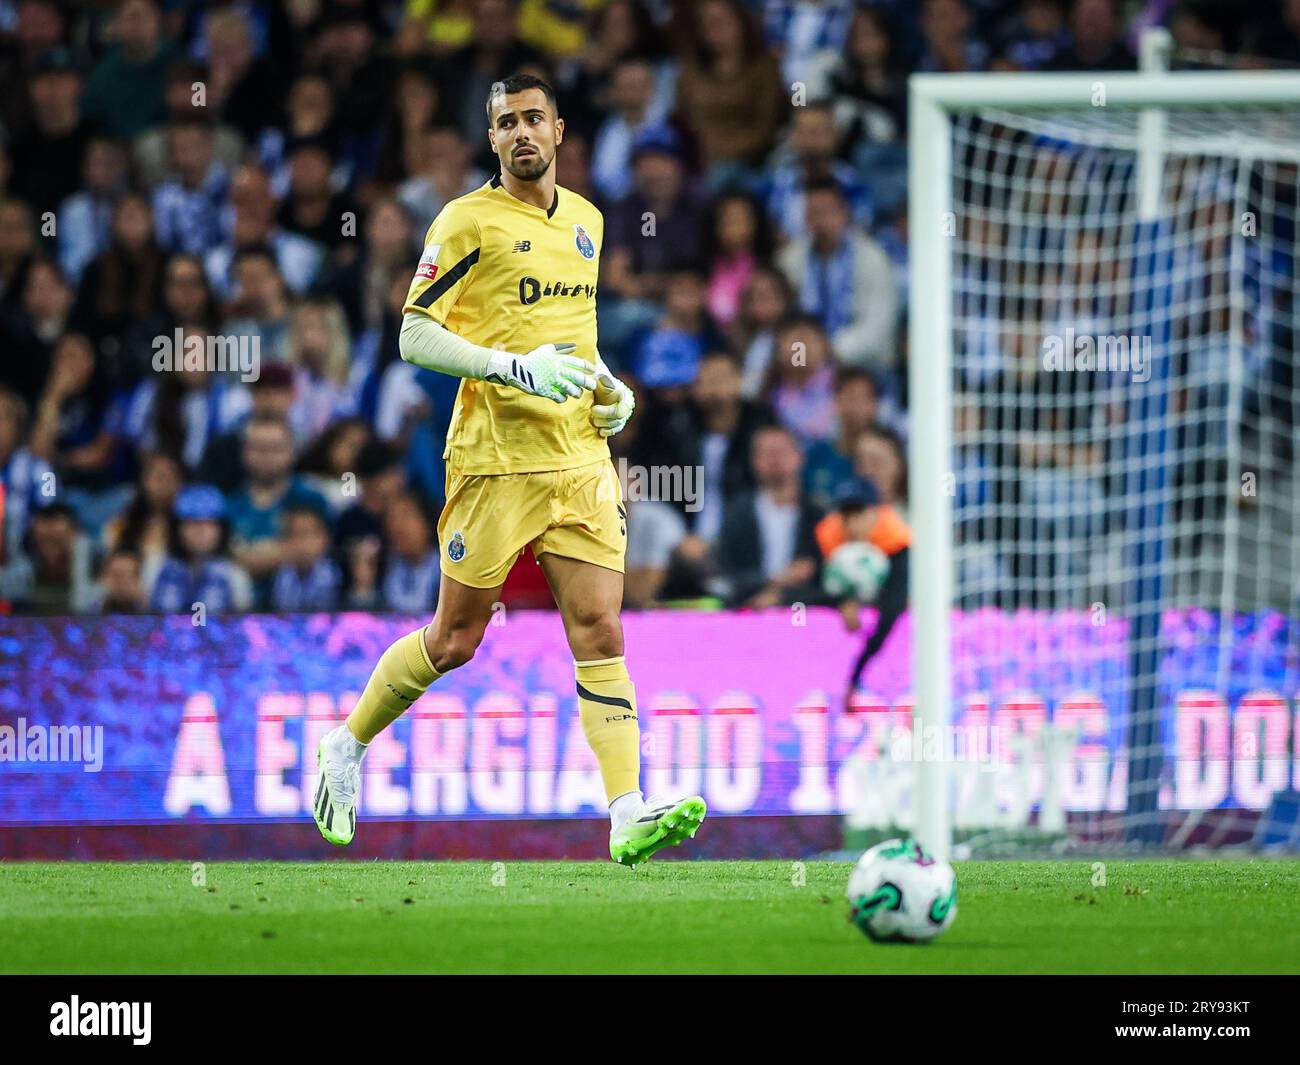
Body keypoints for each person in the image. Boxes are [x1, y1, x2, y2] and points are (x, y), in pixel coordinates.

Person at [312, 74, 705, 865]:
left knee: (598, 627)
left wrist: (609, 387)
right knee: (456, 638)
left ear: (559, 130)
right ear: (491, 140)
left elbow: (574, 336)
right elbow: (414, 336)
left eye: (533, 118)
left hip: (578, 459)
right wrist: (508, 368)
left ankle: (626, 809)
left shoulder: (589, 223)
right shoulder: (465, 221)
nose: (522, 131)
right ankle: (346, 745)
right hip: (494, 461)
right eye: (505, 122)